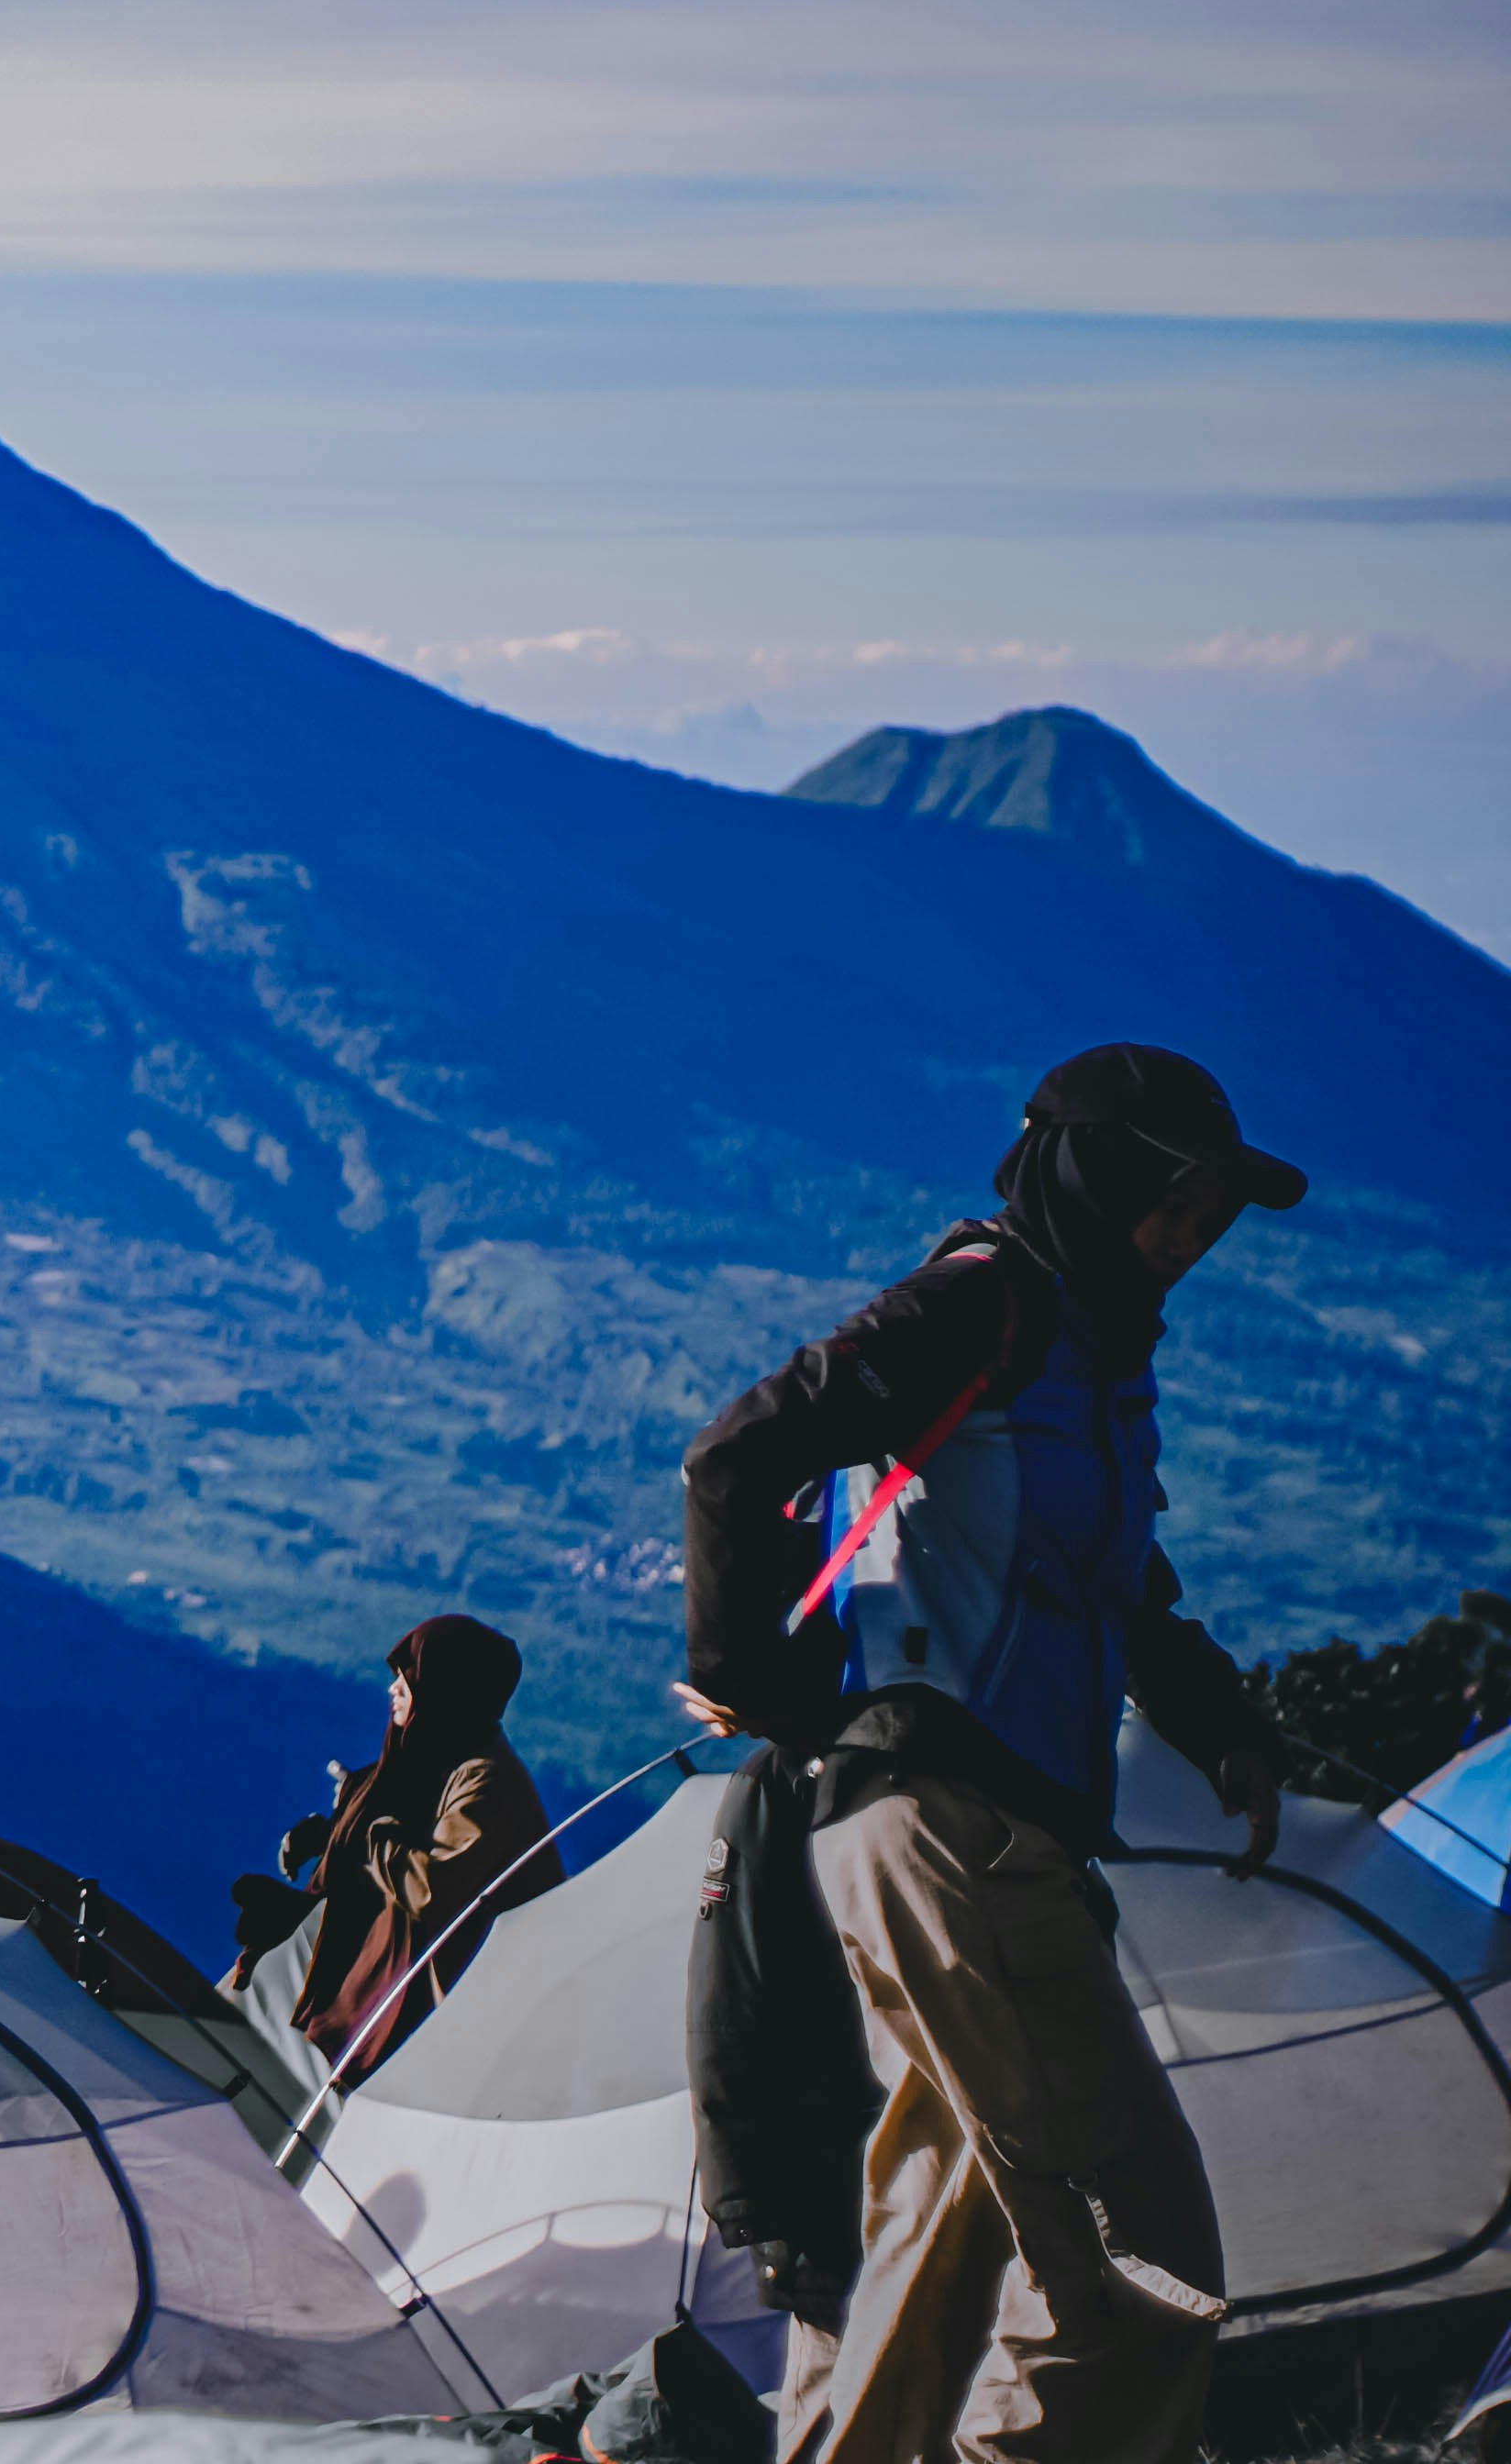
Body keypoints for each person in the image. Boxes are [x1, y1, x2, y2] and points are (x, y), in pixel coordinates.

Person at [676, 1043, 1300, 2464]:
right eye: (1175, 1208)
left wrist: (1221, 1729)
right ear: (1096, 1176)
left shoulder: (1088, 1347)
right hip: (946, 1816)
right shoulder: (988, 1299)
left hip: (965, 1828)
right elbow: (738, 1456)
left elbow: (1115, 1586)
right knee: (1142, 2248)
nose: (1188, 1244)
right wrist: (757, 1682)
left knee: (939, 2224)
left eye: (1208, 1221)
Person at [266, 1615, 560, 2081]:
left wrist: (368, 1832)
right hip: (444, 2005)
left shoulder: (485, 1780)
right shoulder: (442, 1756)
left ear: (444, 1690)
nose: (393, 1691)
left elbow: (430, 1886)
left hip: (477, 2018)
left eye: (406, 1682)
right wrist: (335, 1833)